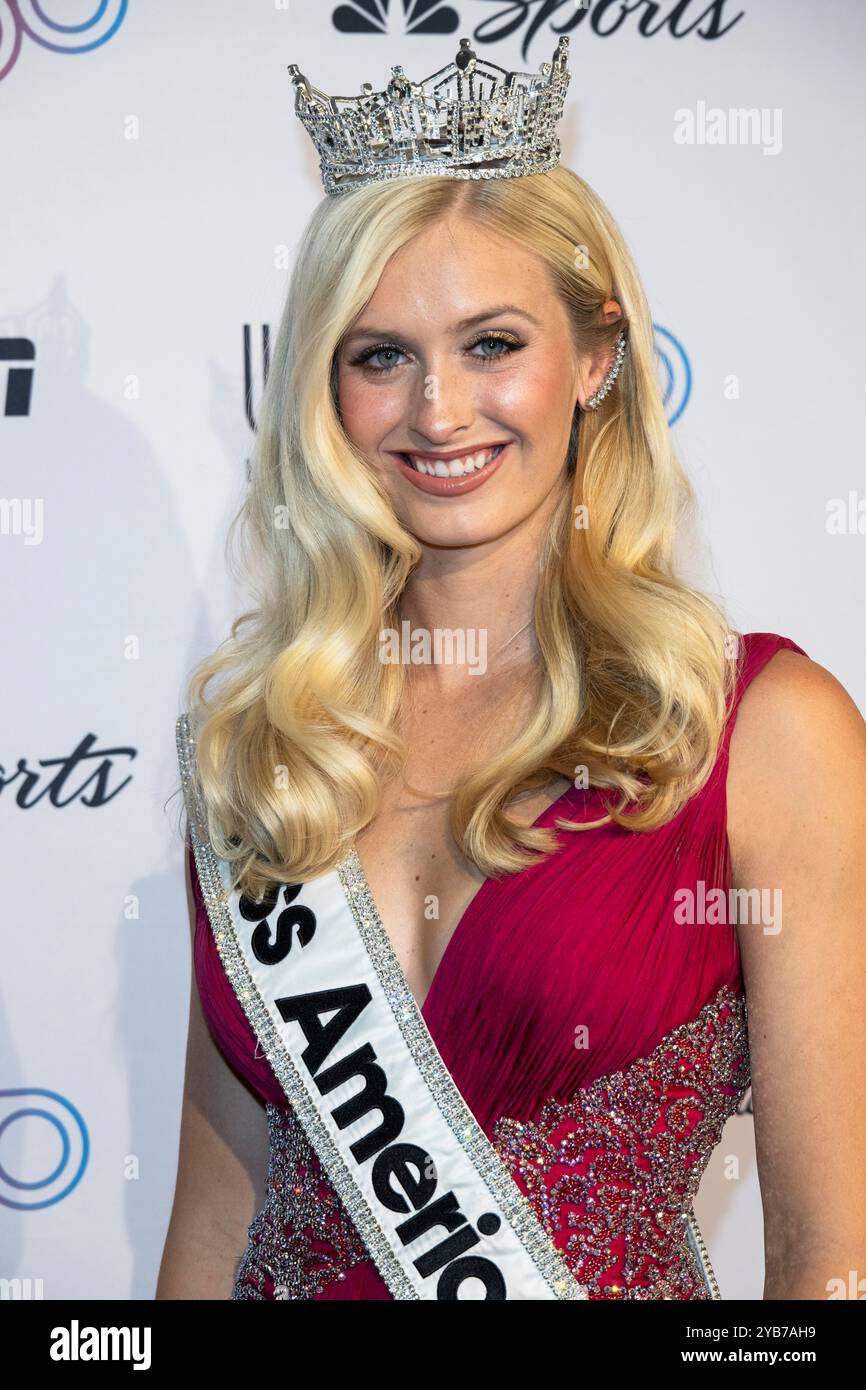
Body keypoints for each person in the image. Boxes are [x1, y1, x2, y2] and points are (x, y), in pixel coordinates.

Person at [157, 37, 866, 1301]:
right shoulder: (265, 741)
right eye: (381, 356)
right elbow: (213, 1228)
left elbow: (829, 1261)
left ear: (595, 357)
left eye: (490, 343)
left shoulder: (762, 730)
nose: (437, 412)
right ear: (325, 392)